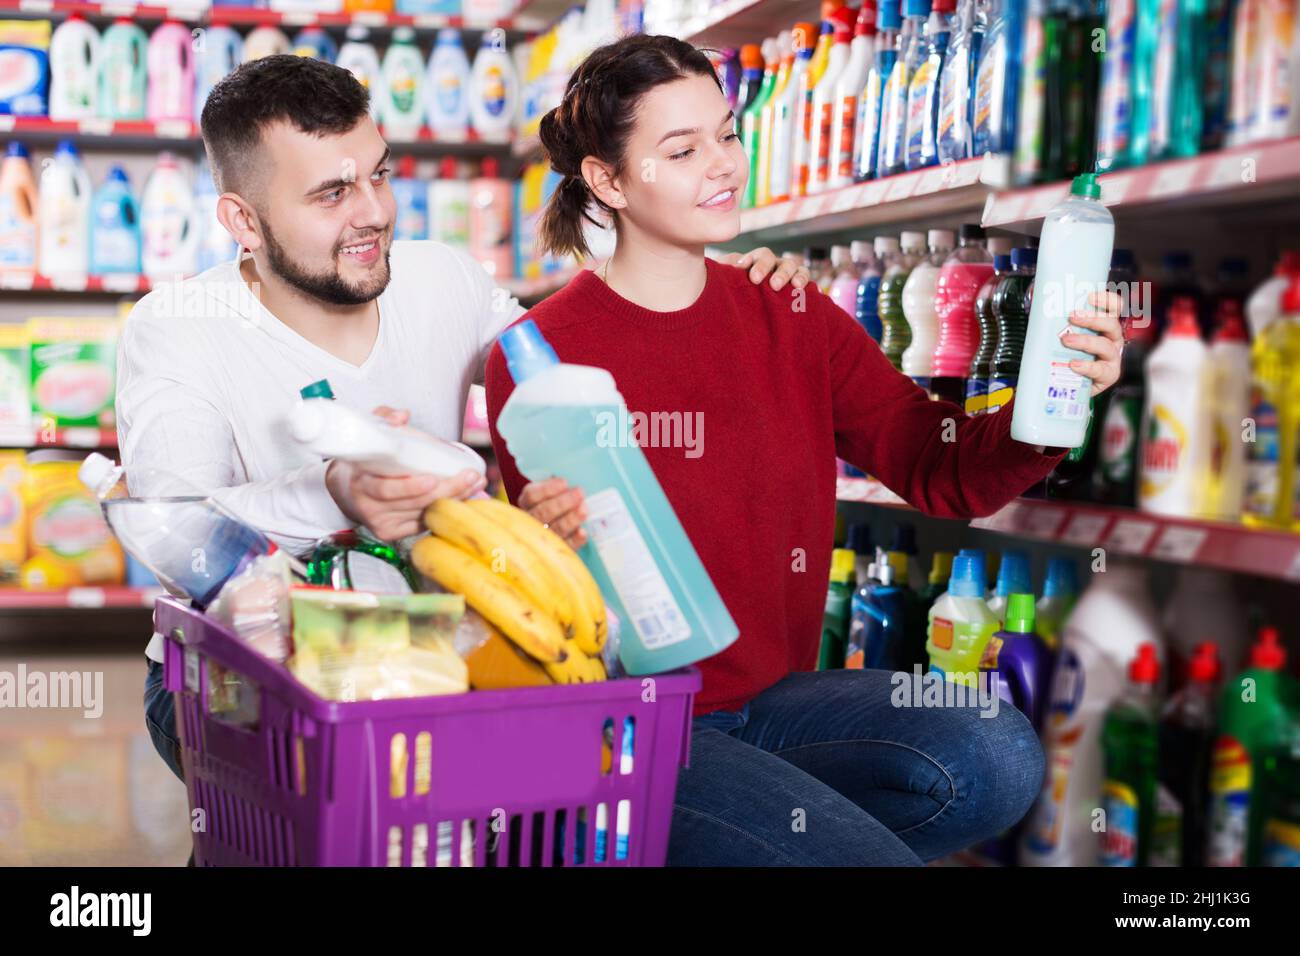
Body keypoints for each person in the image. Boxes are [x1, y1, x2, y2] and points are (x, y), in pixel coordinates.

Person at [484, 34, 1126, 866]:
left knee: (994, 753)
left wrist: (1053, 401)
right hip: (637, 725)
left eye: (726, 134)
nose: (722, 165)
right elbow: (550, 596)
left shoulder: (792, 315)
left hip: (776, 702)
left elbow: (938, 469)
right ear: (607, 181)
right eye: (681, 151)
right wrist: (544, 534)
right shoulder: (539, 355)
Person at [120, 54, 810, 791]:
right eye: (331, 194)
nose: (374, 213)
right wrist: (336, 492)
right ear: (243, 222)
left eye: (378, 175)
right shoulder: (178, 326)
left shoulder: (438, 278)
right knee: (353, 800)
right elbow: (180, 532)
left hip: (431, 657)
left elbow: (580, 367)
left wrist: (713, 287)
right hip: (245, 671)